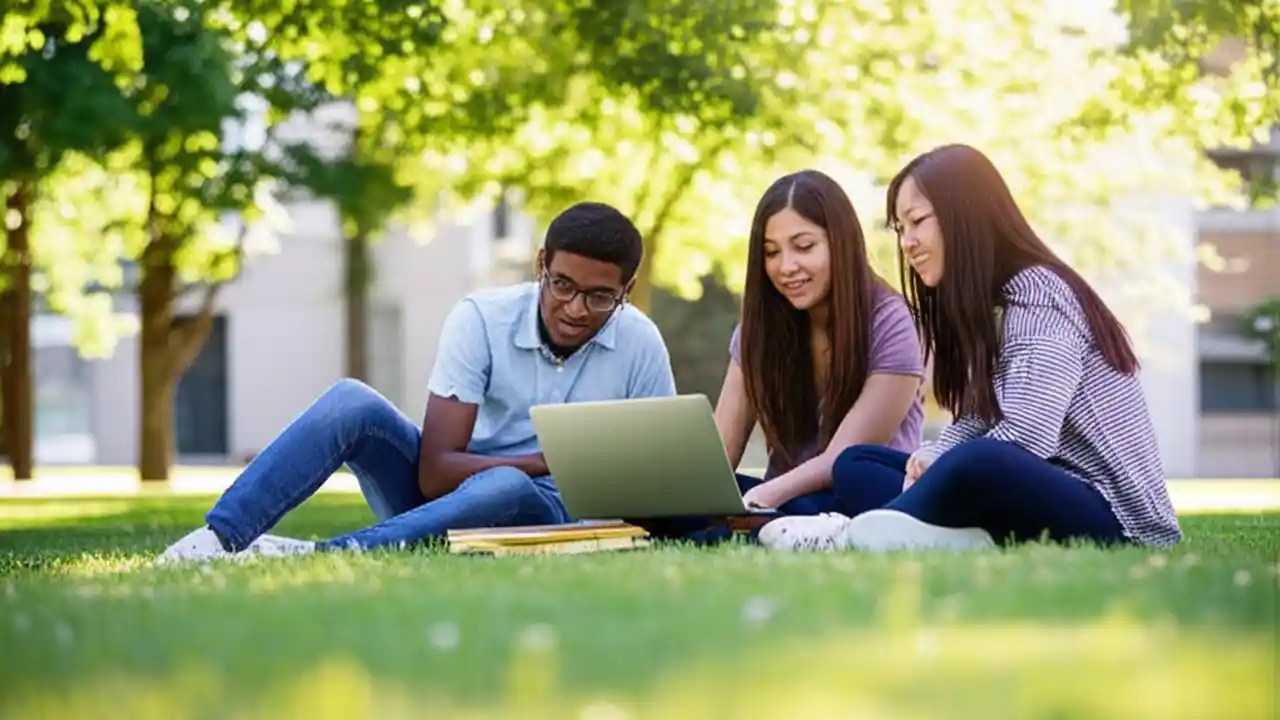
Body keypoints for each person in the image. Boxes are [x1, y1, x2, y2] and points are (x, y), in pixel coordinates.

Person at [160, 201, 676, 561]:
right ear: (542, 265)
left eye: (600, 297)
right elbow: (433, 472)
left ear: (626, 290)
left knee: (508, 484)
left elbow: (657, 482)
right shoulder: (480, 318)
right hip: (444, 498)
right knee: (350, 402)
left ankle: (327, 555)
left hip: (553, 517)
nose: (575, 308)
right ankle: (217, 539)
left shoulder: (641, 343)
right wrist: (545, 459)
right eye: (562, 284)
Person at [757, 144, 1183, 553]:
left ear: (964, 216)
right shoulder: (986, 308)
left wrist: (945, 466)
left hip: (1115, 515)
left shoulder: (1039, 292)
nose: (907, 243)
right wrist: (933, 456)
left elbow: (1028, 436)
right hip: (1023, 491)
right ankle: (940, 534)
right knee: (858, 465)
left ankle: (850, 534)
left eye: (918, 221)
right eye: (900, 229)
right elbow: (979, 416)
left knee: (981, 460)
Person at [713, 169, 925, 518]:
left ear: (840, 242)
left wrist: (759, 500)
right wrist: (696, 498)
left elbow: (843, 456)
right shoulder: (759, 329)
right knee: (674, 507)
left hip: (861, 495)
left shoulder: (890, 320)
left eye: (804, 247)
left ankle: (761, 522)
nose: (786, 266)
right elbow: (721, 452)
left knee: (847, 475)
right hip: (780, 497)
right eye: (771, 252)